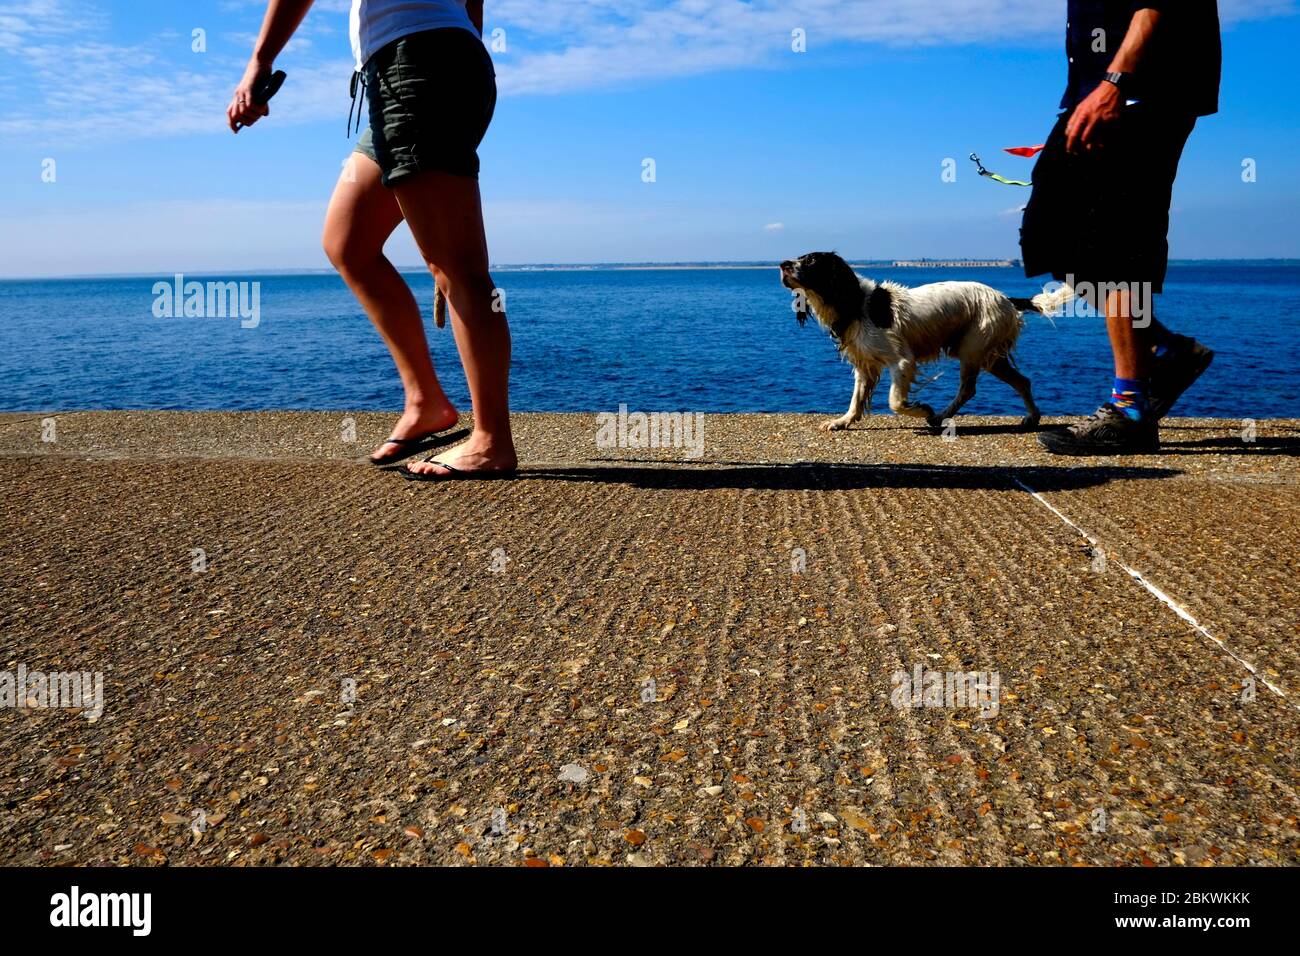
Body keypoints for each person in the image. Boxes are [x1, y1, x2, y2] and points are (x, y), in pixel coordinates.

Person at [227, 0, 516, 479]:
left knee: (458, 268)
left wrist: (259, 62)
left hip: (418, 64)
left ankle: (491, 442)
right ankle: (426, 401)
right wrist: (463, 61)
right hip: (420, 66)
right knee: (348, 241)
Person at [1021, 1, 1221, 455]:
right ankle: (1167, 350)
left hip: (1143, 92)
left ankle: (1130, 410)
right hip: (1094, 93)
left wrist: (1115, 83)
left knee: (1117, 240)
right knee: (1046, 234)